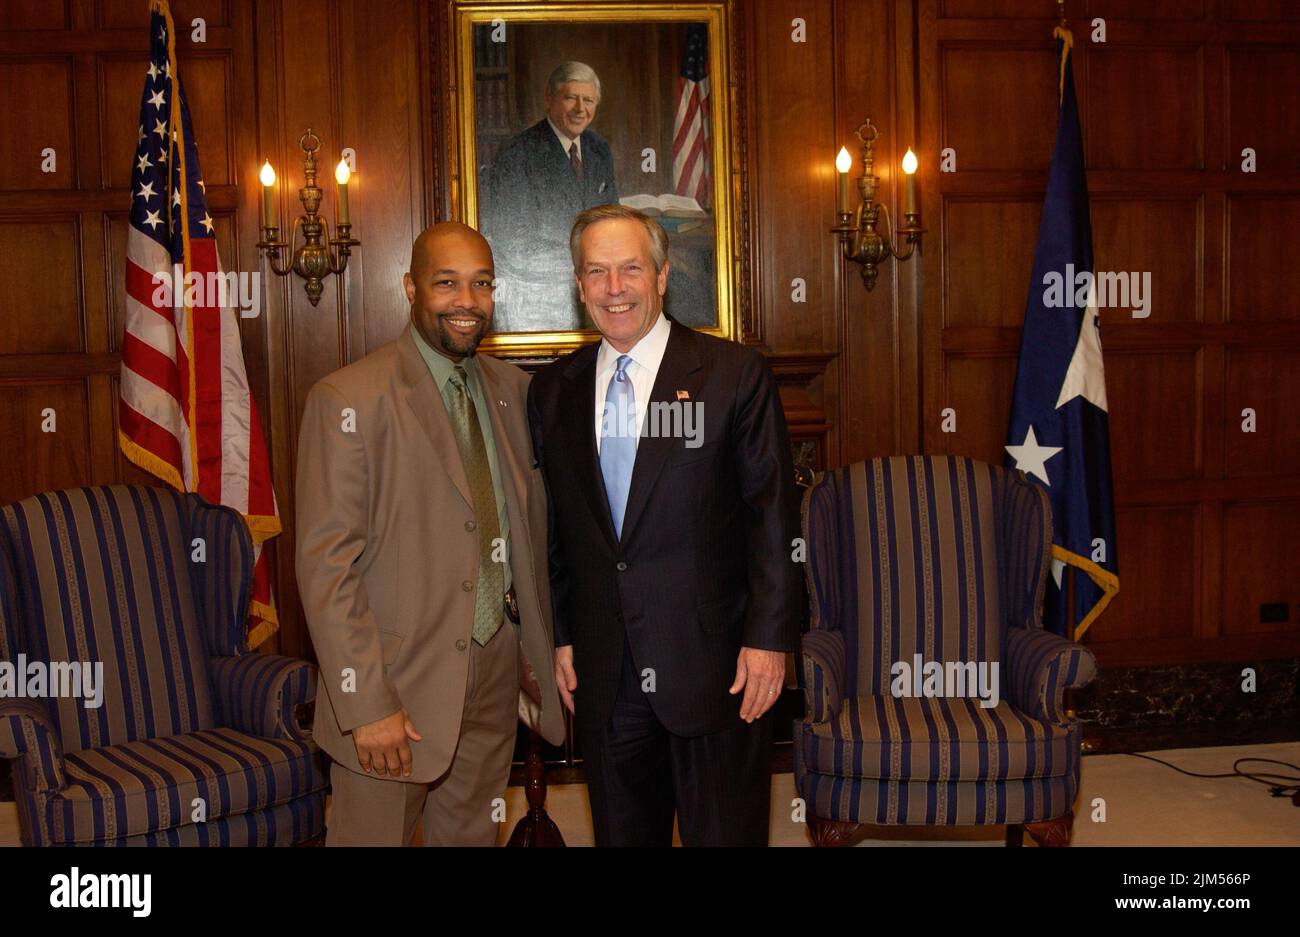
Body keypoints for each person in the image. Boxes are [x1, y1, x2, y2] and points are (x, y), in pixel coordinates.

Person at [527, 204, 803, 846]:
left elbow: (773, 520)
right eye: (596, 272)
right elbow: (558, 532)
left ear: (661, 275)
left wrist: (769, 643)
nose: (613, 287)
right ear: (578, 285)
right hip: (604, 674)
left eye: (630, 269)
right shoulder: (554, 391)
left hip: (719, 671)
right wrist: (563, 636)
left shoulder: (733, 375)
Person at [295, 222, 564, 846]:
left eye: (481, 284)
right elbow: (324, 568)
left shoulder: (512, 393)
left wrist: (532, 654)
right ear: (410, 287)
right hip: (394, 687)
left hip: (494, 673)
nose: (467, 301)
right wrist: (366, 704)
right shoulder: (348, 399)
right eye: (447, 283)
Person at [482, 61, 619, 332]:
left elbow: (612, 219)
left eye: (589, 100)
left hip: (598, 295)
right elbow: (514, 242)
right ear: (549, 98)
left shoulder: (598, 149)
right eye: (571, 98)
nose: (581, 109)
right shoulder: (517, 153)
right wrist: (586, 266)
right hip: (538, 298)